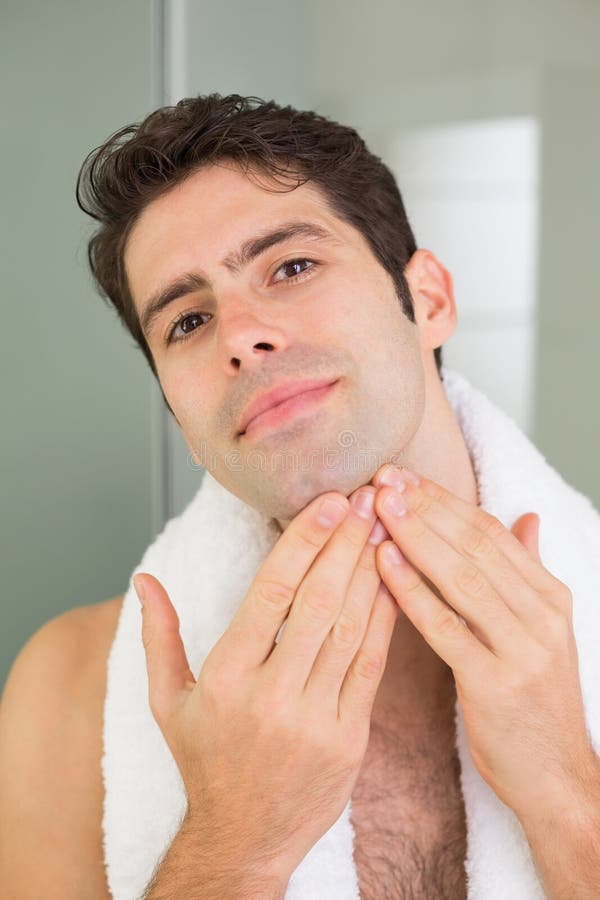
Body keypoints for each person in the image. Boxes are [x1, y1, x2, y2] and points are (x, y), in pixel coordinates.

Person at [1, 94, 598, 899]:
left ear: (428, 300)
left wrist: (568, 792)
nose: (241, 335)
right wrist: (234, 843)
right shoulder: (69, 692)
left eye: (291, 267)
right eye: (187, 321)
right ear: (182, 421)